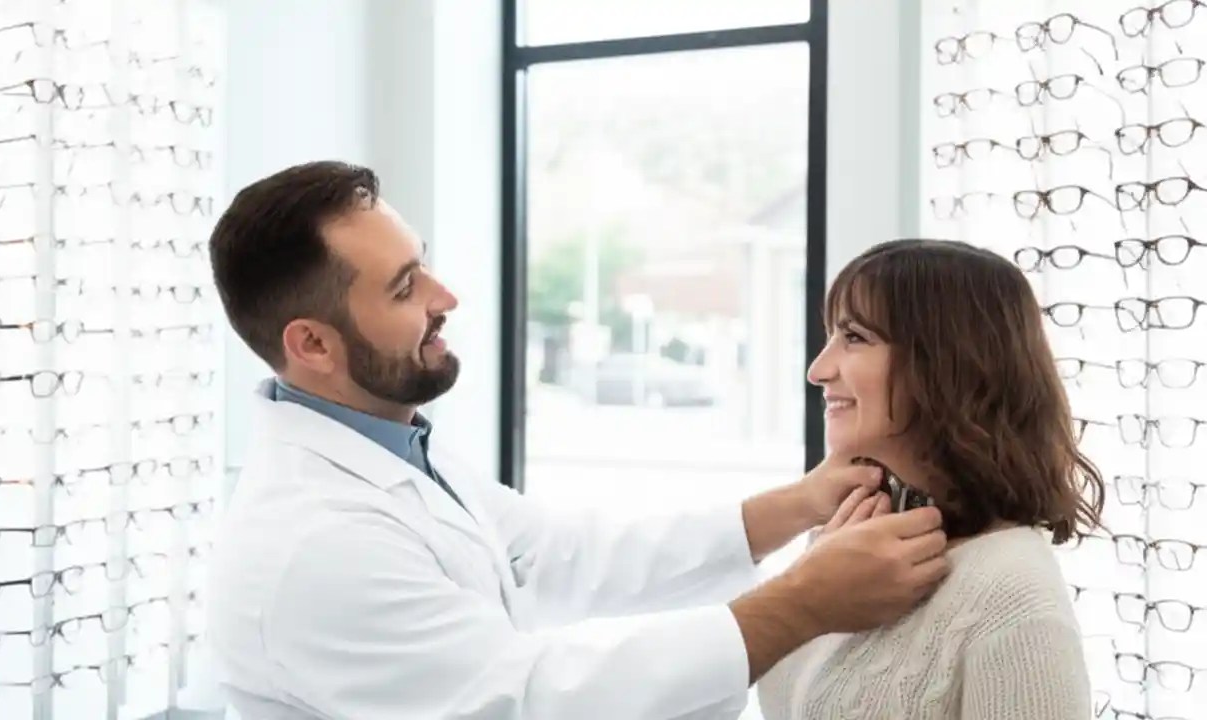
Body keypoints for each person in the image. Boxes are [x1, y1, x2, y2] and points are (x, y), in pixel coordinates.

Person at [204, 161, 950, 720]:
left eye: (422, 262)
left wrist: (797, 505)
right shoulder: (314, 542)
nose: (446, 297)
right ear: (312, 344)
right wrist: (802, 603)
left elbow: (568, 554)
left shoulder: (397, 457)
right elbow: (533, 699)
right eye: (404, 288)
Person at [758, 239, 1102, 720]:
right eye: (830, 336)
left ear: (944, 361)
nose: (818, 370)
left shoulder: (1014, 600)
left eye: (854, 337)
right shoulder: (849, 540)